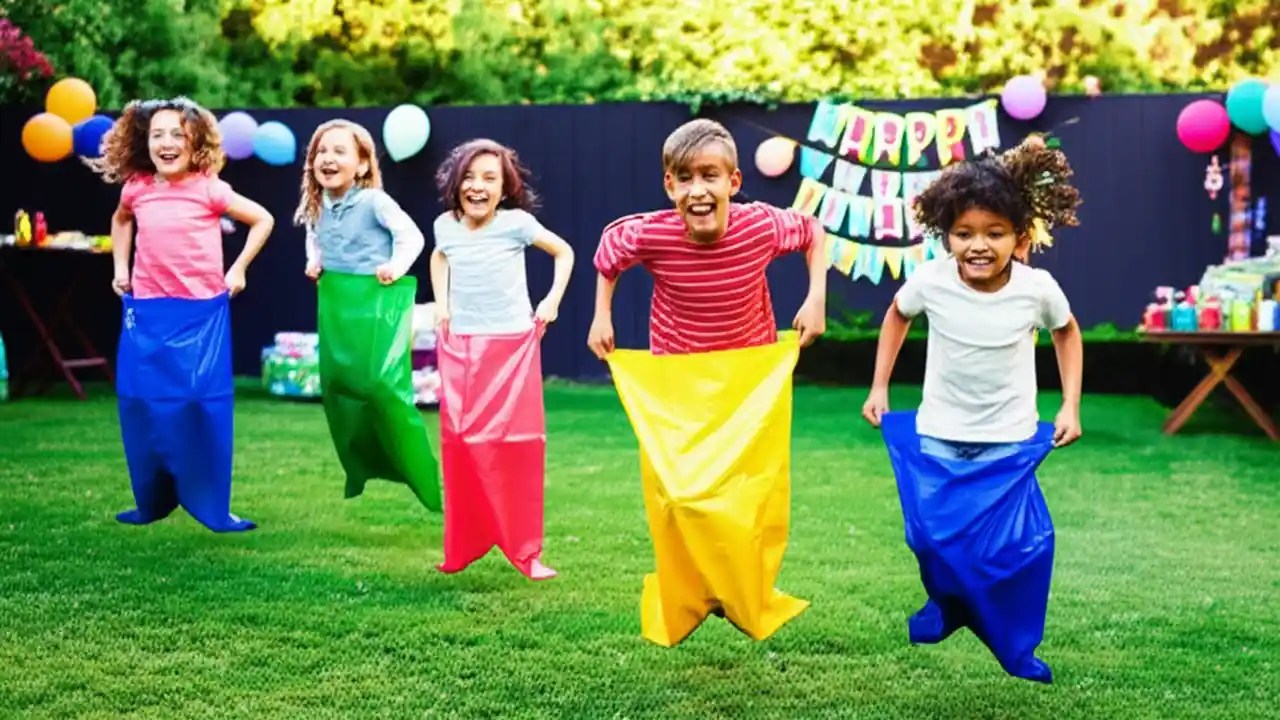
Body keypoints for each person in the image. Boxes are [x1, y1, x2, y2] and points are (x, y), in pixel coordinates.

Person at [586, 118, 827, 647]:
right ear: (669, 186)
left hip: (748, 382)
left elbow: (814, 233)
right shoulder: (651, 232)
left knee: (747, 491)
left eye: (710, 176)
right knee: (680, 490)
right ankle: (693, 593)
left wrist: (816, 297)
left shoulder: (760, 226)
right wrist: (601, 315)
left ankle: (742, 592)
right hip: (679, 382)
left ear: (734, 182)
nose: (699, 189)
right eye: (685, 178)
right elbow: (608, 253)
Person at [861, 138, 1084, 683]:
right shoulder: (932, 280)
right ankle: (947, 604)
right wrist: (879, 386)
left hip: (1008, 438)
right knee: (929, 537)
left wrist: (1070, 405)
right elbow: (896, 315)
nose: (978, 246)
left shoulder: (1037, 289)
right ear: (945, 235)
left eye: (994, 233)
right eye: (964, 234)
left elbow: (1068, 333)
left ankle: (1015, 644)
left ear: (1020, 237)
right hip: (940, 430)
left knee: (1022, 548)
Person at [89, 96, 274, 533]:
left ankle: (213, 506)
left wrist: (238, 268)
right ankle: (151, 500)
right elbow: (121, 220)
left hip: (200, 314)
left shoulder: (209, 187)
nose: (167, 142)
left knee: (200, 406)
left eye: (178, 134)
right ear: (143, 141)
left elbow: (262, 219)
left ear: (196, 143)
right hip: (149, 312)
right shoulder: (137, 188)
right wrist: (120, 267)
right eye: (158, 134)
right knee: (141, 403)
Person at [429, 138, 574, 580]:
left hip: (512, 346)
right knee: (460, 446)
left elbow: (564, 252)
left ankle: (525, 551)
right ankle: (463, 545)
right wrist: (442, 304)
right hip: (462, 346)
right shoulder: (445, 226)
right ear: (455, 184)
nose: (478, 186)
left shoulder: (517, 224)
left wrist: (551, 301)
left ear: (504, 187)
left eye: (489, 178)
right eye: (469, 177)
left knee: (518, 449)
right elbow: (439, 257)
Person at [295, 119, 440, 513]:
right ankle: (361, 465)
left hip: (376, 303)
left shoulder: (374, 201)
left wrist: (395, 266)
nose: (328, 158)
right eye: (321, 151)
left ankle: (420, 471)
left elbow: (413, 237)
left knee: (379, 387)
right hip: (340, 305)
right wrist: (315, 260)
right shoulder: (316, 204)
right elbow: (313, 235)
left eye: (339, 151)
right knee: (340, 386)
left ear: (360, 165)